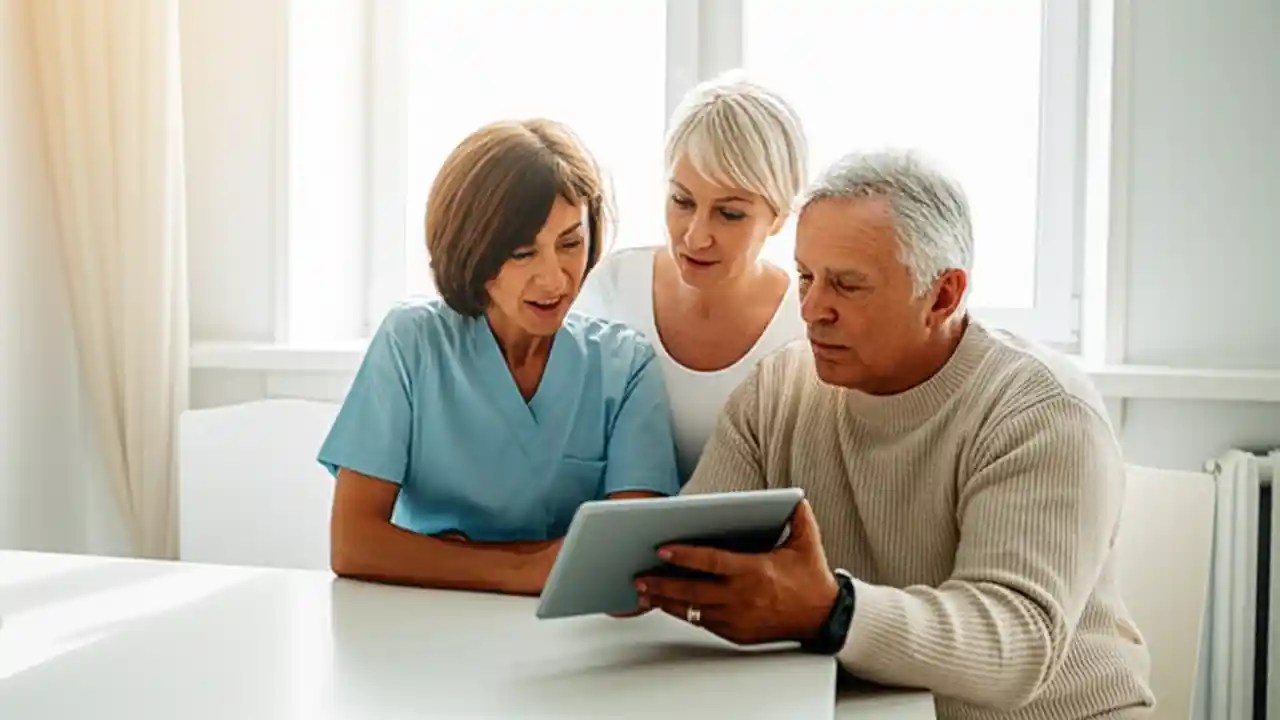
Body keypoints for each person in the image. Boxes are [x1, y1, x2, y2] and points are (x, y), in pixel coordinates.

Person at [631, 151, 1154, 718]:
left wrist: (833, 610)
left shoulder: (1041, 409)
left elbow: (1015, 645)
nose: (812, 309)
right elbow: (693, 554)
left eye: (847, 285)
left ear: (943, 296)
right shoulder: (778, 389)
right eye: (805, 277)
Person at [319, 119, 680, 595]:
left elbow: (628, 557)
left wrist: (441, 553)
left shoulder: (625, 367)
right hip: (419, 618)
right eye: (522, 252)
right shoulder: (411, 343)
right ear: (472, 251)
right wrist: (522, 569)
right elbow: (354, 545)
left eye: (570, 243)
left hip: (567, 626)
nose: (555, 279)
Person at [575, 72, 808, 481]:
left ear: (779, 217)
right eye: (682, 201)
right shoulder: (611, 289)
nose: (696, 237)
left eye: (729, 214)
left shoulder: (805, 328)